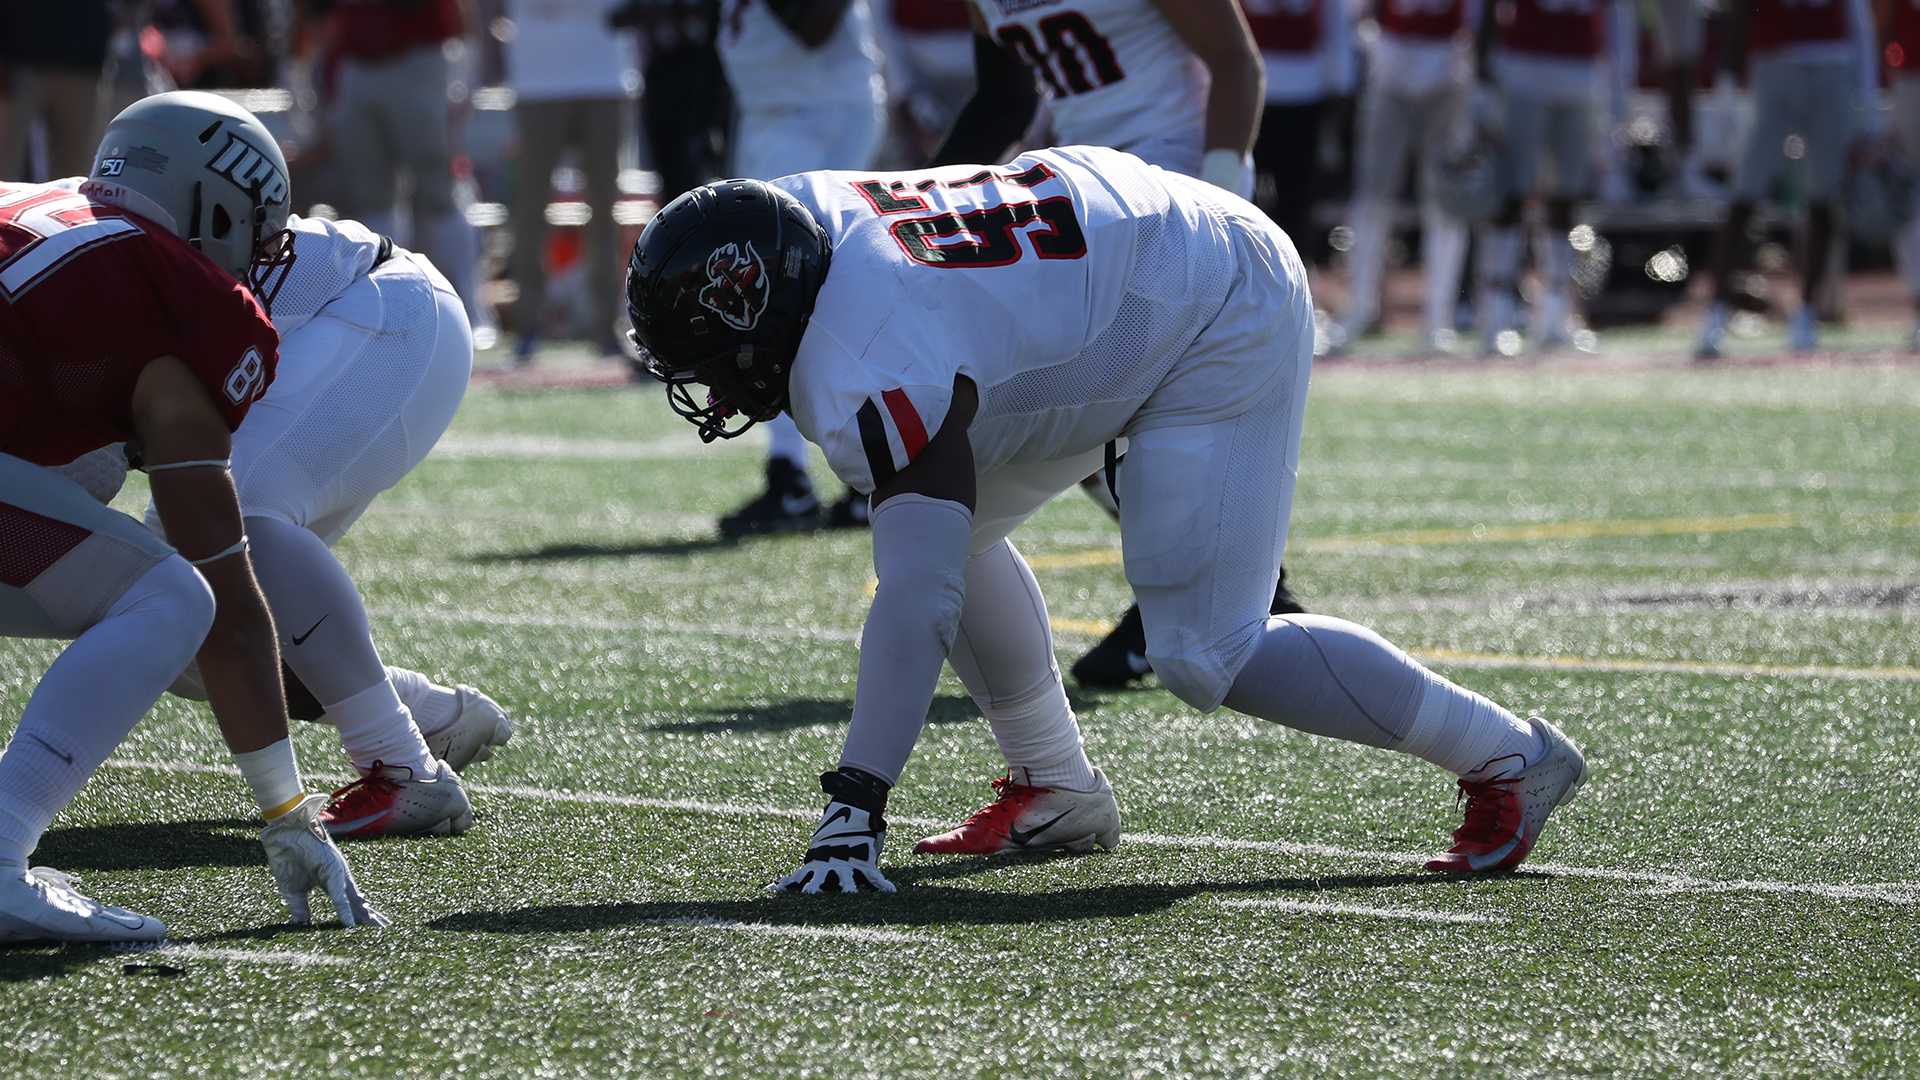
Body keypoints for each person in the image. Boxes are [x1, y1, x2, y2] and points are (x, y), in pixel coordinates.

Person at [624, 153, 1590, 892]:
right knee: (940, 536)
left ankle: (1511, 756)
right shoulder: (796, 222)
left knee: (1204, 650)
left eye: (707, 358)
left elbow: (918, 597)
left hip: (1211, 300)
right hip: (1116, 278)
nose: (707, 385)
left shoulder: (864, 347)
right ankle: (1056, 785)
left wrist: (856, 804)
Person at [76, 98, 515, 838]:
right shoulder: (82, 246)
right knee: (182, 612)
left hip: (384, 310)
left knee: (235, 516)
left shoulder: (89, 253)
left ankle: (401, 767)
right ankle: (431, 714)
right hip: (337, 331)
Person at [0, 91, 381, 941]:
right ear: (216, 204)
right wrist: (287, 808)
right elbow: (227, 595)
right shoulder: (181, 294)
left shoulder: (27, 204)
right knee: (172, 597)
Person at [929, 0, 1297, 703]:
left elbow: (1234, 61)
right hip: (1081, 194)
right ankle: (1236, 576)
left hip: (1174, 186)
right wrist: (905, 200)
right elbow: (1003, 100)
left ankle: (1228, 576)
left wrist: (1219, 202)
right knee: (1049, 400)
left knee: (1074, 394)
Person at [710, 0, 889, 536]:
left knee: (798, 302)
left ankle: (851, 471)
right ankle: (803, 473)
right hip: (776, 114)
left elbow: (817, 25)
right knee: (781, 302)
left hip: (815, 114)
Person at [1696, 0, 1875, 359]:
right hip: (1775, 60)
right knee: (1745, 195)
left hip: (1831, 60)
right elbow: (1740, 10)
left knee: (1824, 198)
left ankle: (1807, 313)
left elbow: (1858, 16)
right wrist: (1728, 78)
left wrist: (1867, 96)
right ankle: (1714, 314)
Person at [1471, 0, 1631, 354]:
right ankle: (1495, 312)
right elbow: (1490, 10)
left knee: (1566, 197)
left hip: (1581, 75)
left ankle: (1555, 313)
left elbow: (1616, 19)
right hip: (1524, 71)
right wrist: (1483, 82)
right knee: (1511, 195)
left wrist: (1617, 88)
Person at [505, 0, 641, 361]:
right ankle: (528, 325)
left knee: (604, 212)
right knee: (530, 210)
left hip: (604, 77)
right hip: (538, 81)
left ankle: (607, 325)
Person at [1334, 0, 1472, 351]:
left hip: (1448, 73)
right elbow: (1357, 11)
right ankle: (1360, 308)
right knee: (1371, 199)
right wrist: (1376, 49)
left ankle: (1439, 318)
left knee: (1444, 203)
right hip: (1391, 74)